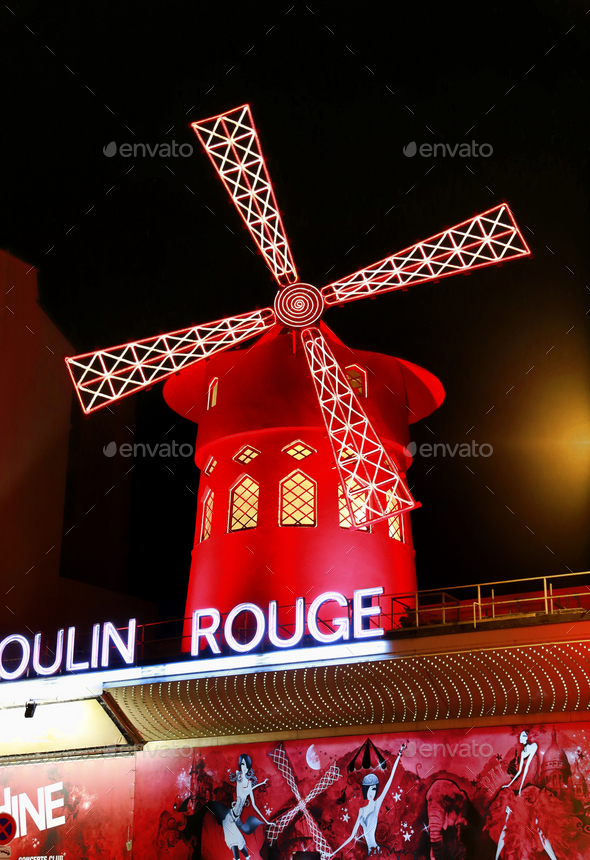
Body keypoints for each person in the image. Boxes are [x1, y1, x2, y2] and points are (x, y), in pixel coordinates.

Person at [329, 743, 406, 857]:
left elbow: (389, 782)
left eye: (374, 789)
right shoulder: (362, 810)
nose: (371, 792)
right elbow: (351, 837)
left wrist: (399, 755)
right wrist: (333, 853)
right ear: (366, 791)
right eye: (369, 789)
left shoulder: (376, 804)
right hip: (370, 853)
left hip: (377, 852)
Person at [208, 753, 270, 859]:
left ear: (249, 766)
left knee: (239, 840)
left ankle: (245, 858)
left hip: (235, 818)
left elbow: (254, 805)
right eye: (242, 764)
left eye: (246, 765)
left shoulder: (249, 784)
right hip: (230, 817)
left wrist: (267, 821)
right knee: (235, 840)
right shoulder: (239, 777)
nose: (244, 767)